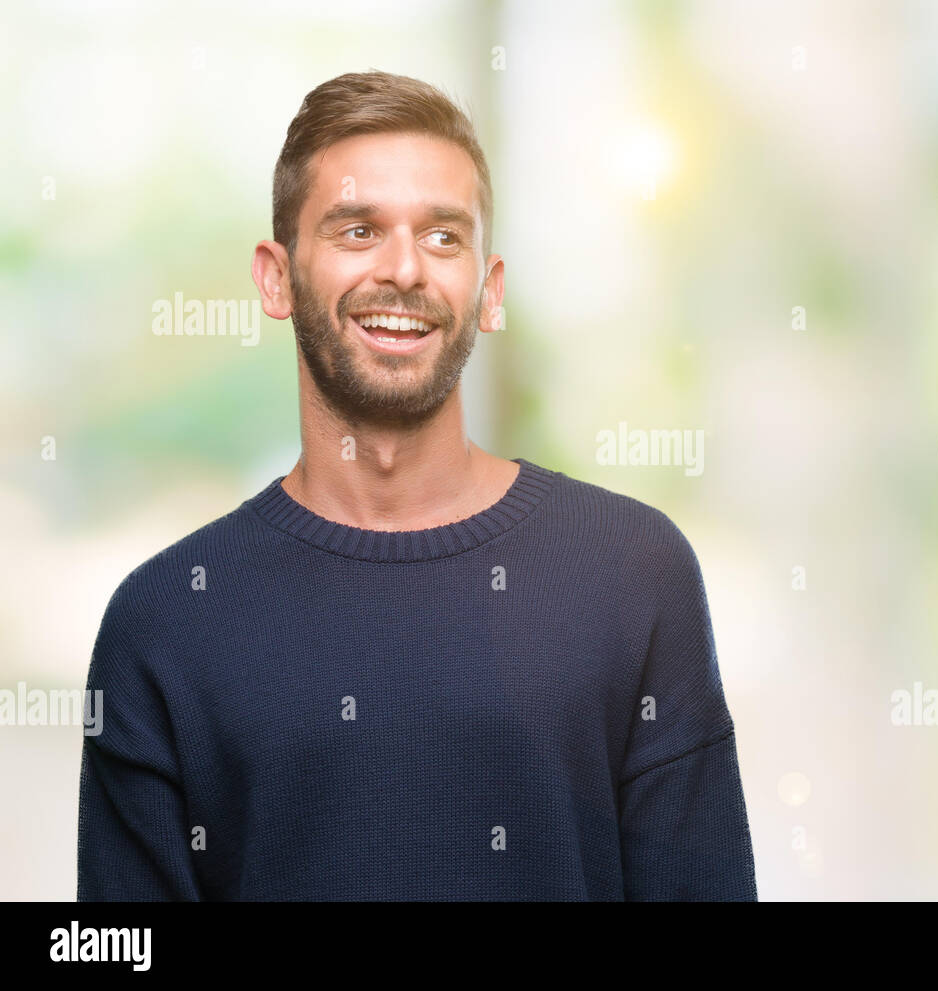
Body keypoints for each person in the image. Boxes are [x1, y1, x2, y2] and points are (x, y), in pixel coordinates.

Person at [76, 70, 757, 901]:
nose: (404, 269)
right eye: (358, 230)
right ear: (277, 277)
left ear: (490, 288)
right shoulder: (165, 621)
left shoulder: (633, 572)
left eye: (442, 237)